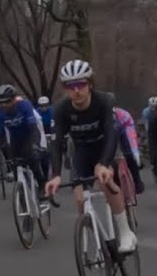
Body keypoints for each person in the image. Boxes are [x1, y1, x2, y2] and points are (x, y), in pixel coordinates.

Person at [44, 59, 138, 252]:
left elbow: (112, 134)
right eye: (70, 86)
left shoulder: (103, 101)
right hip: (81, 151)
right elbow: (56, 143)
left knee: (104, 181)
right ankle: (90, 236)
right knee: (80, 198)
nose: (76, 90)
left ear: (90, 85)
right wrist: (55, 175)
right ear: (65, 89)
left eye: (81, 84)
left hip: (105, 146)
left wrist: (104, 163)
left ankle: (126, 231)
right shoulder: (61, 109)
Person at [0, 84, 56, 205]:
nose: (4, 105)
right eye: (1, 102)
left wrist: (35, 145)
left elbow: (33, 128)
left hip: (29, 135)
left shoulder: (24, 106)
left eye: (7, 101)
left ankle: (41, 186)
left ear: (14, 99)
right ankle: (23, 199)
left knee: (32, 158)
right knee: (16, 167)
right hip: (14, 140)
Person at [109, 100, 147, 196]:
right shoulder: (98, 116)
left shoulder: (123, 115)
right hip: (108, 134)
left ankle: (137, 181)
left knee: (130, 154)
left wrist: (135, 152)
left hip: (124, 130)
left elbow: (130, 135)